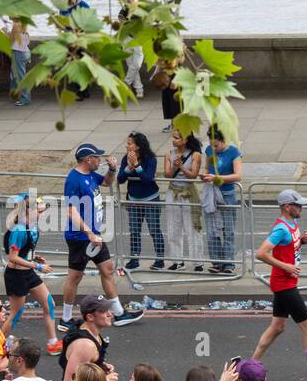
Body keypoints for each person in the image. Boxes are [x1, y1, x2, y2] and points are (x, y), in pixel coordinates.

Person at [61, 143, 141, 327]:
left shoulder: (90, 174)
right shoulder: (74, 179)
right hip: (80, 238)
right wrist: (89, 234)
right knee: (75, 277)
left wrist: (112, 169)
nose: (100, 160)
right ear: (88, 160)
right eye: (97, 157)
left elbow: (106, 182)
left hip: (93, 235)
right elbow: (71, 211)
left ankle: (119, 313)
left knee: (107, 269)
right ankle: (65, 319)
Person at [253, 189, 307, 359]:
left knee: (277, 327)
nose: (301, 208)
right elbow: (261, 253)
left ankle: (252, 364)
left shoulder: (292, 223)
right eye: (298, 205)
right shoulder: (281, 229)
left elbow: (287, 247)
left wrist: (301, 241)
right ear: (288, 207)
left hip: (285, 282)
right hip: (284, 285)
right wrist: (286, 267)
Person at [0, 193, 61, 354]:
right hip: (16, 276)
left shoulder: (32, 226)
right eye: (39, 211)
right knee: (16, 313)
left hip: (28, 273)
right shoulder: (19, 230)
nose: (42, 214)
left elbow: (23, 252)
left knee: (49, 304)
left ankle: (53, 343)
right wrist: (37, 266)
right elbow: (12, 258)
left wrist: (35, 257)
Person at [120, 131, 164, 271]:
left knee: (154, 229)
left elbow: (147, 179)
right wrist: (128, 168)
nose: (127, 146)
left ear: (138, 146)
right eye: (127, 143)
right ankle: (134, 259)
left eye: (130, 143)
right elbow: (120, 179)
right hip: (134, 200)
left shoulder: (150, 159)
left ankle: (160, 259)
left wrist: (137, 165)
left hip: (150, 198)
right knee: (134, 230)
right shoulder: (125, 158)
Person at [201, 127, 243, 274]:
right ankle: (217, 262)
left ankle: (229, 263)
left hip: (227, 194)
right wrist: (205, 175)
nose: (214, 148)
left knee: (228, 230)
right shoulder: (209, 150)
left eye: (216, 145)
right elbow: (207, 167)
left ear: (224, 141)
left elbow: (238, 175)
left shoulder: (233, 152)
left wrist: (218, 178)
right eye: (212, 145)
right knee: (212, 230)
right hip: (211, 192)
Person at [163, 131, 203, 270]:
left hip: (189, 193)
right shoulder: (169, 153)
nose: (173, 140)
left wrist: (181, 167)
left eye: (177, 137)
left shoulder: (195, 154)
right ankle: (177, 261)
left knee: (192, 228)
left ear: (185, 140)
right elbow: (167, 174)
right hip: (173, 192)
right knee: (173, 228)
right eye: (173, 137)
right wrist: (175, 166)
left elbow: (193, 175)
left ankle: (197, 262)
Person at [59, 294, 115, 381]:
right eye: (103, 311)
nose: (110, 314)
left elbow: (86, 364)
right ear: (90, 317)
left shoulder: (90, 332)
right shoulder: (85, 346)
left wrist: (100, 365)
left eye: (108, 309)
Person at [7, 17, 31, 106]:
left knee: (20, 76)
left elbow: (10, 41)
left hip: (18, 52)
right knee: (15, 75)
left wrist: (4, 33)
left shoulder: (16, 25)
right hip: (25, 51)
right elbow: (27, 40)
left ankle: (25, 99)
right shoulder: (24, 23)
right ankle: (16, 95)